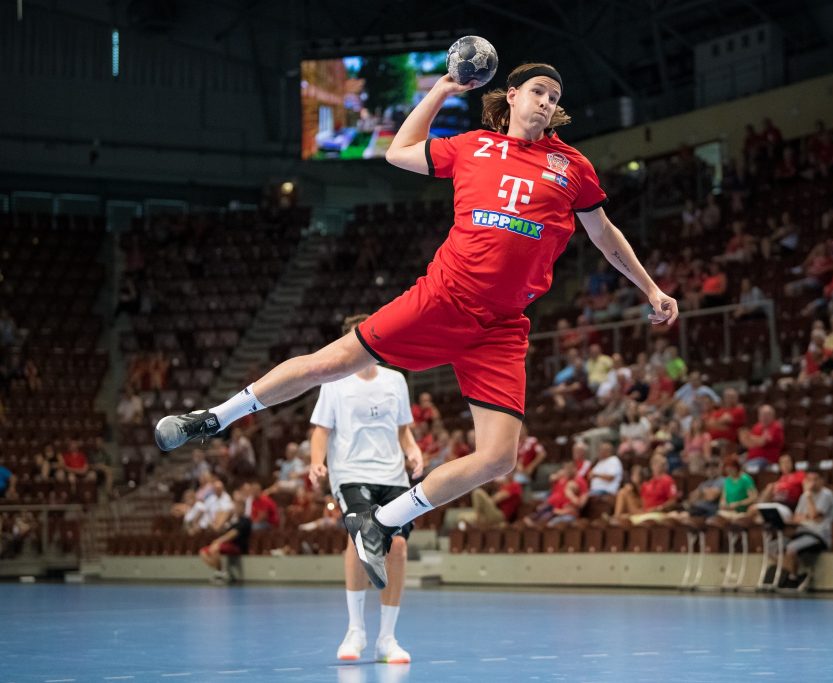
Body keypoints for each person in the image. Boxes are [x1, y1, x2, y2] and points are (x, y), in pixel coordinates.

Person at [154, 63, 678, 588]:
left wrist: (651, 288)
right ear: (513, 96)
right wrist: (444, 88)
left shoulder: (572, 166)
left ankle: (382, 521)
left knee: (498, 459)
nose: (546, 101)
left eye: (554, 95)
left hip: (500, 326)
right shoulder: (473, 146)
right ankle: (213, 419)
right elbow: (398, 151)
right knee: (329, 364)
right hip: (442, 298)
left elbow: (604, 235)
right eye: (537, 91)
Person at [306, 314, 424, 664]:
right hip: (352, 473)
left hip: (393, 476)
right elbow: (321, 431)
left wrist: (413, 451)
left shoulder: (396, 381)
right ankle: (355, 629)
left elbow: (404, 430)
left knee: (397, 547)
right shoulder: (335, 382)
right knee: (360, 539)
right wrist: (316, 461)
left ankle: (387, 639)